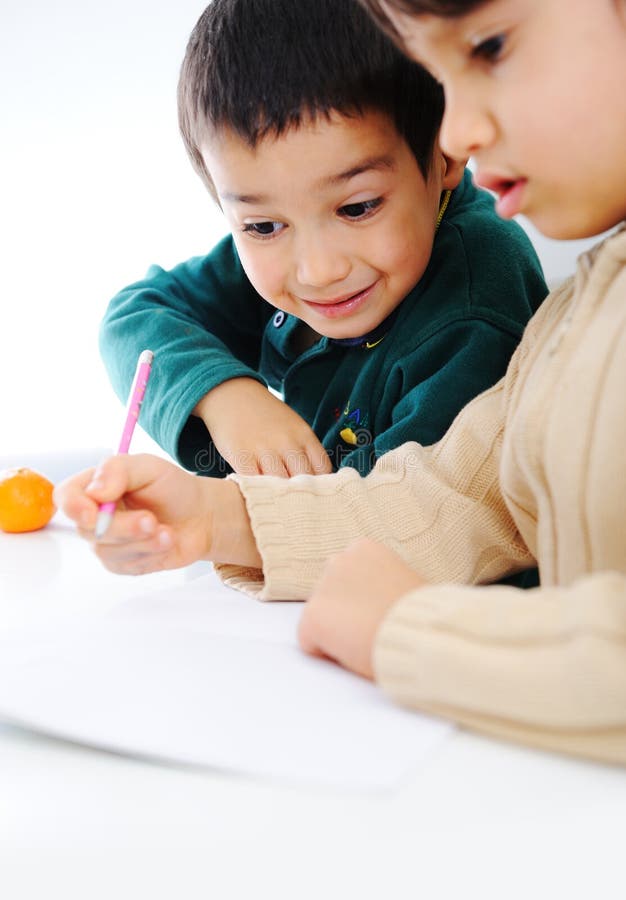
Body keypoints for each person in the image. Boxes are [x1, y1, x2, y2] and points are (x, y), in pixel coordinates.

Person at [56, 0, 626, 764]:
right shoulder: (583, 313)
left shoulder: (479, 299)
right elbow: (457, 499)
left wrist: (408, 631)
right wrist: (216, 511)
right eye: (263, 225)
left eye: (490, 47)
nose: (318, 270)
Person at [99, 0, 545, 482]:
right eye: (262, 226)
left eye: (357, 208)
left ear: (446, 154)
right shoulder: (288, 252)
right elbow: (135, 318)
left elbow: (411, 512)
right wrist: (226, 396)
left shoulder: (476, 310)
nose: (318, 270)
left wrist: (220, 513)